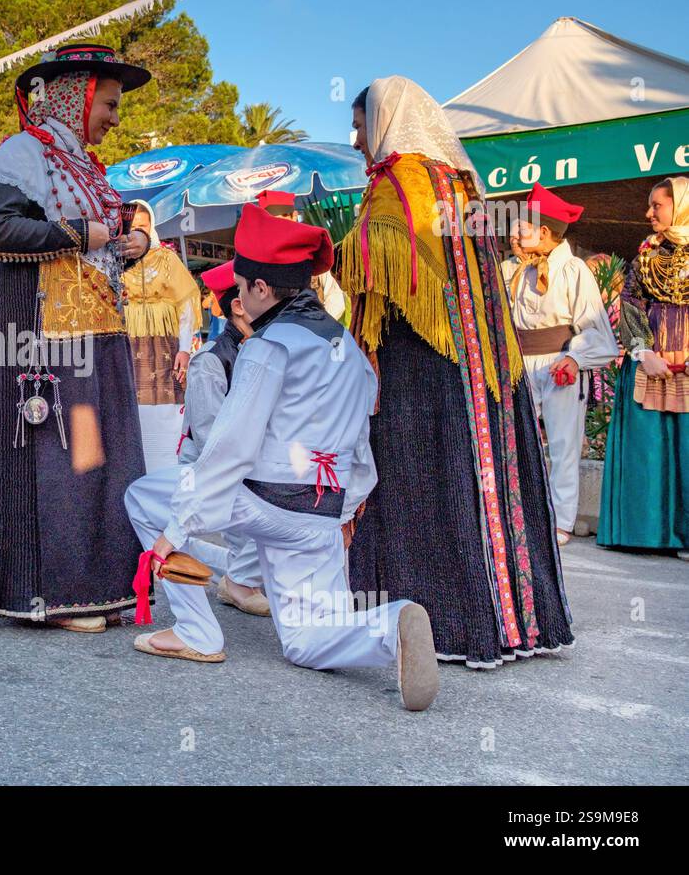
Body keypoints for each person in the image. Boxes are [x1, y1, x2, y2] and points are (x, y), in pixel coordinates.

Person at [124, 205, 440, 711]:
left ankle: (197, 632)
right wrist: (343, 511)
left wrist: (174, 532)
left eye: (244, 287)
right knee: (307, 641)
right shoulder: (351, 353)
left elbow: (230, 448)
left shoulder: (269, 346)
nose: (240, 300)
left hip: (263, 503)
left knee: (142, 495)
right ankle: (390, 624)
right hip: (319, 514)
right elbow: (361, 453)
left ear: (263, 289)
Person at [338, 76, 573, 668]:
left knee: (420, 484)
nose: (357, 137)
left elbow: (367, 261)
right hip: (487, 369)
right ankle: (512, 619)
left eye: (361, 123)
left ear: (385, 119)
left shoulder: (399, 182)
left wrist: (326, 248)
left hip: (421, 367)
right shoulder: (462, 185)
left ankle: (432, 620)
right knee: (479, 486)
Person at [0, 43, 152, 633]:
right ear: (78, 95)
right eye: (110, 104)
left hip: (97, 332)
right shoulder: (23, 152)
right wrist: (82, 231)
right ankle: (55, 594)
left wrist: (130, 247)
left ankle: (101, 587)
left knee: (102, 460)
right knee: (66, 460)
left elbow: (97, 248)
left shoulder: (85, 165)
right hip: (41, 337)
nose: (116, 118)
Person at [502, 184, 618, 545]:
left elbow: (596, 329)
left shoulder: (573, 270)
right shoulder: (512, 270)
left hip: (560, 363)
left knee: (564, 444)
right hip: (520, 365)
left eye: (523, 226)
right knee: (515, 440)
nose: (515, 231)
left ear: (545, 232)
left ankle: (562, 520)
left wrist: (573, 357)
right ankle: (517, 514)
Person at [174, 259, 269, 617]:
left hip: (243, 463)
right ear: (239, 305)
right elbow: (210, 437)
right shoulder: (210, 361)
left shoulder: (264, 350)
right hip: (211, 467)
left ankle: (235, 577)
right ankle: (237, 582)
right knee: (272, 516)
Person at [600, 176, 689, 551]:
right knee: (649, 448)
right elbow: (633, 304)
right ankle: (647, 533)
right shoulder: (647, 254)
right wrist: (643, 351)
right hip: (650, 363)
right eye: (651, 205)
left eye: (658, 205)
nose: (649, 212)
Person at [123, 200, 199, 472]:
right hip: (127, 346)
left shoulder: (167, 260)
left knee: (165, 413)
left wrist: (185, 349)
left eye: (142, 227)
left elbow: (187, 304)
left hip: (163, 349)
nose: (136, 233)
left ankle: (166, 470)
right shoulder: (115, 261)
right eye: (131, 227)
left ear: (151, 228)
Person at [256, 189, 348, 321]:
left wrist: (316, 327)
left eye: (281, 222)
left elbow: (335, 300)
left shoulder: (315, 251)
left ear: (294, 216)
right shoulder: (257, 262)